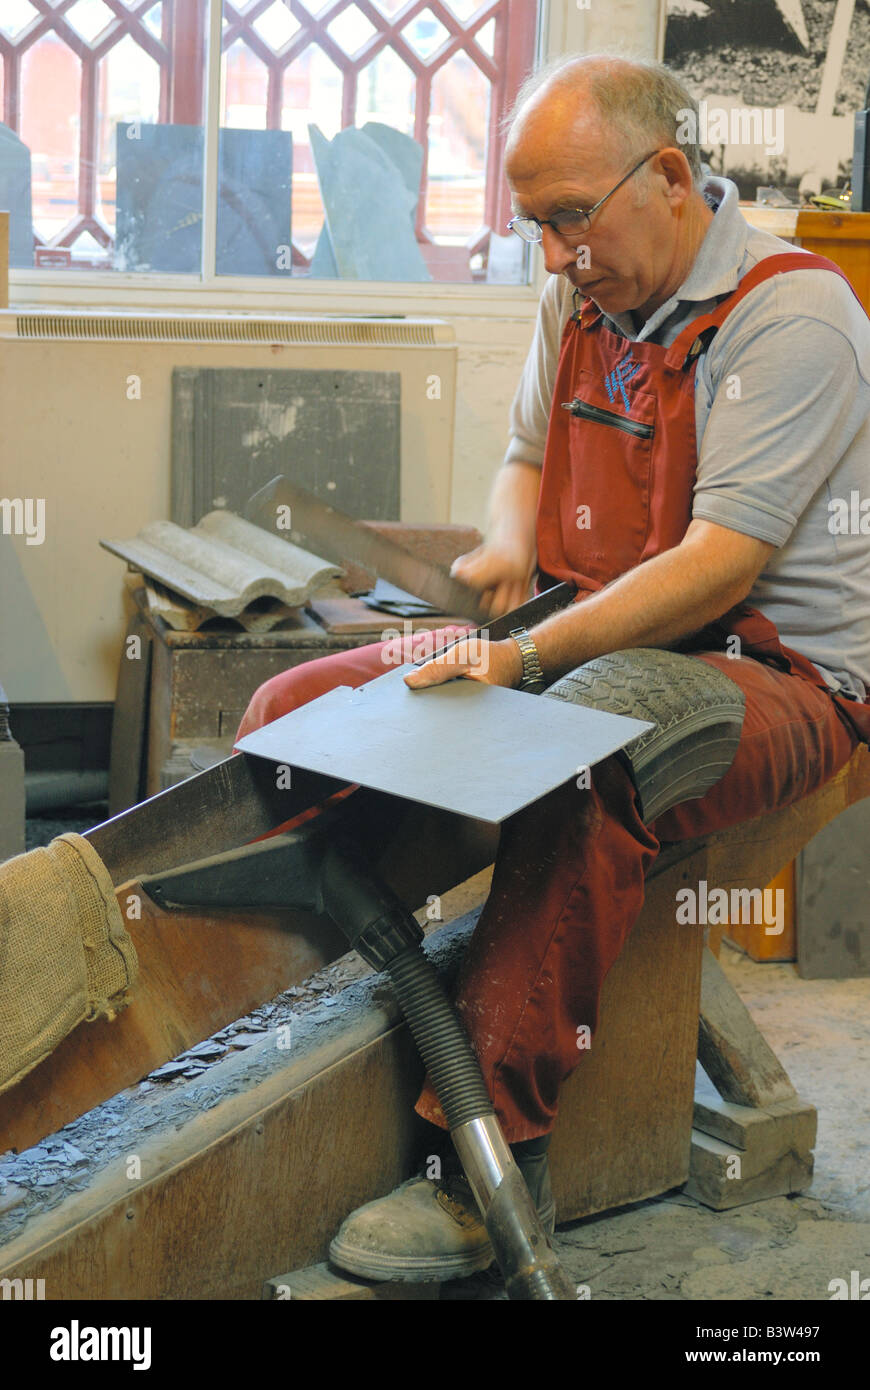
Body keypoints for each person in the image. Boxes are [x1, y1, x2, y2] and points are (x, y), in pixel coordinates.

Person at [237, 54, 870, 1283]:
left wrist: (522, 652)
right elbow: (526, 454)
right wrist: (509, 541)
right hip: (593, 631)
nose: (554, 252)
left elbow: (718, 567)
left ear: (672, 178)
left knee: (588, 745)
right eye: (533, 223)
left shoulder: (795, 318)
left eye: (571, 216)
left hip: (774, 679)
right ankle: (344, 988)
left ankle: (485, 1161)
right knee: (290, 715)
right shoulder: (583, 294)